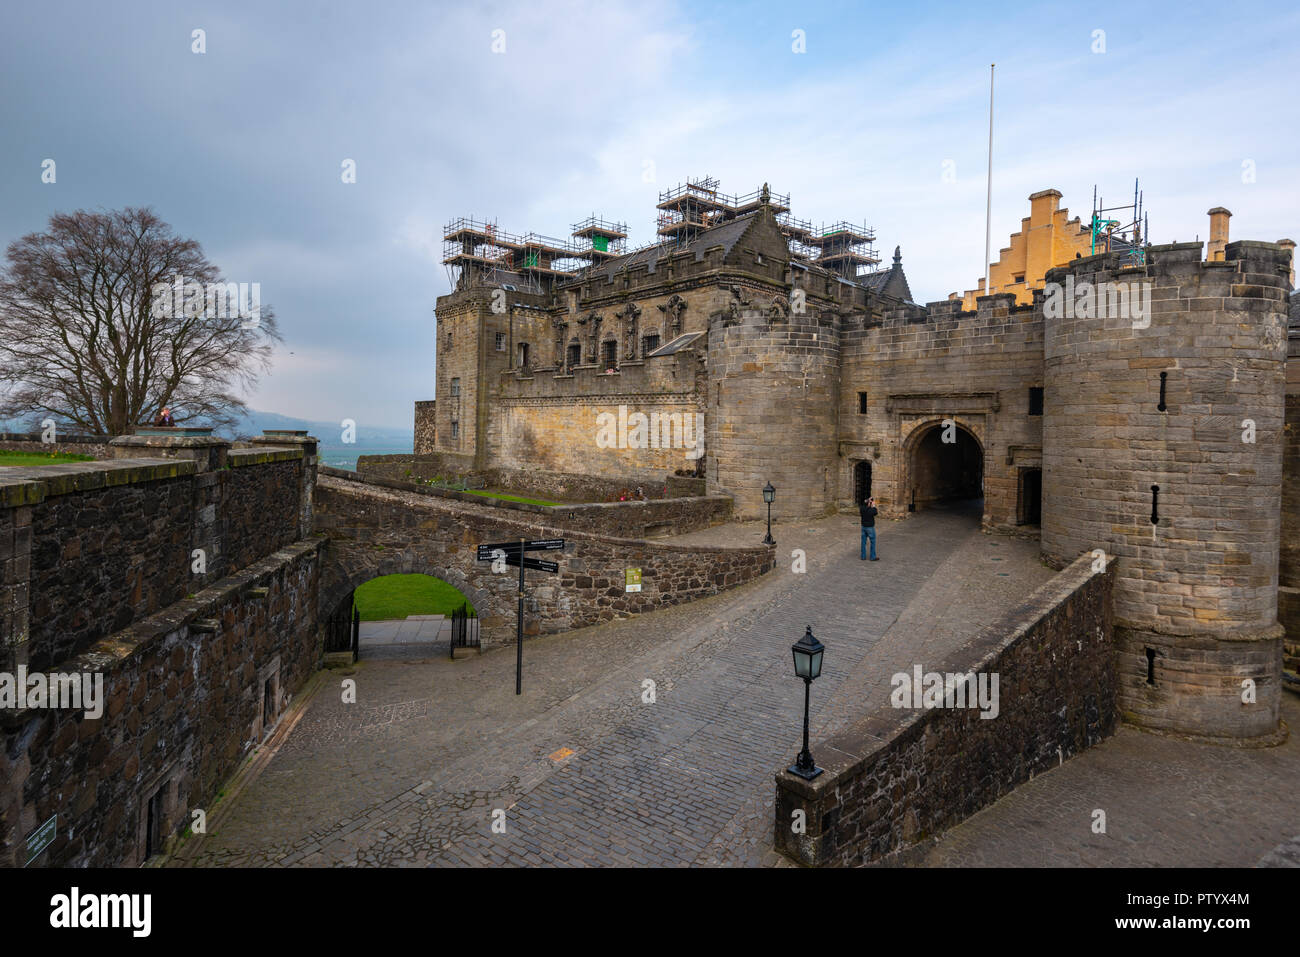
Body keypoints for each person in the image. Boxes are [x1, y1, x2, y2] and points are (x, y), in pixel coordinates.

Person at [860, 496, 879, 561]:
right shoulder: (871, 510)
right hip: (870, 527)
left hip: (863, 527)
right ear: (869, 503)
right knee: (873, 542)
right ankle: (872, 557)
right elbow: (875, 512)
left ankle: (863, 556)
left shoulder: (861, 508)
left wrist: (868, 500)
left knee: (863, 542)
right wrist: (873, 505)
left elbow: (864, 503)